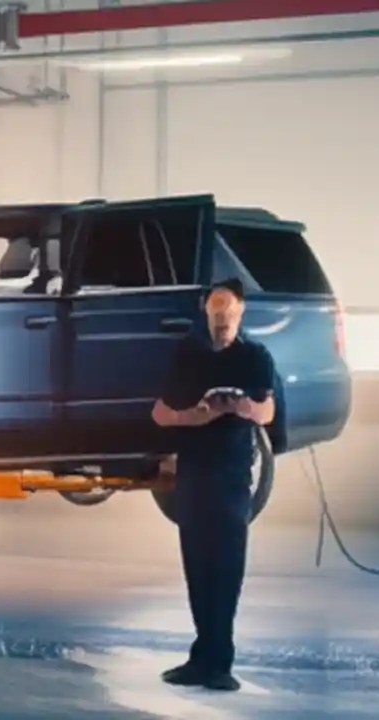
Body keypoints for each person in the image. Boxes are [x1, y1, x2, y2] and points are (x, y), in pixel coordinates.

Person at [150, 277, 276, 692]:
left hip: (233, 478)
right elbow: (161, 414)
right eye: (216, 313)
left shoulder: (255, 356)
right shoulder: (187, 355)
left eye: (229, 314)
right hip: (194, 475)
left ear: (240, 313)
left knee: (226, 571)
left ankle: (220, 662)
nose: (222, 321)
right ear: (205, 310)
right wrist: (196, 417)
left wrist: (244, 407)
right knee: (197, 569)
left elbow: (268, 411)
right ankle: (201, 657)